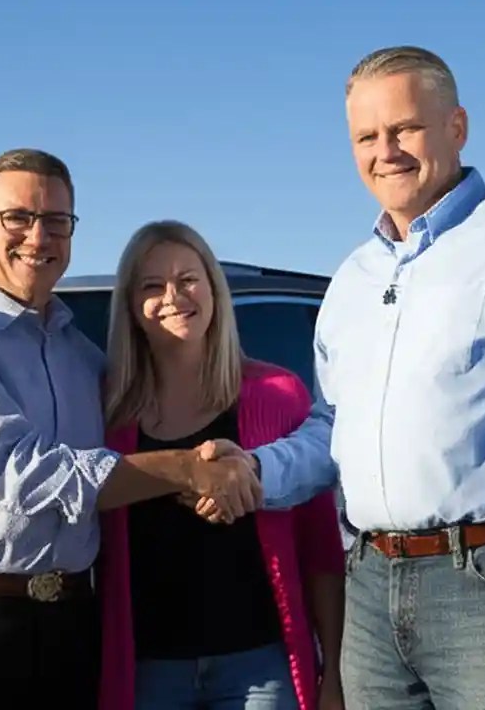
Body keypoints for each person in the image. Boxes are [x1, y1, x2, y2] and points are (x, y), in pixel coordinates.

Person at [201, 46, 485, 710]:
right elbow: (335, 434)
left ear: (457, 127)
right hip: (370, 592)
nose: (385, 151)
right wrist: (252, 470)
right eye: (366, 136)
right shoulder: (353, 280)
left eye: (404, 129)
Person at [0, 148, 262, 710]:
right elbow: (21, 472)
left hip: (71, 625)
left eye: (57, 222)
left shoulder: (84, 358)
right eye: (18, 218)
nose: (38, 236)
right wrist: (188, 471)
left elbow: (140, 451)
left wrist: (222, 469)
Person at [95, 220, 347, 710]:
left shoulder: (276, 395)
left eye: (188, 278)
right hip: (148, 671)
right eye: (151, 285)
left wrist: (332, 673)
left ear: (213, 289)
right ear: (129, 306)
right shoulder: (107, 410)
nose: (173, 296)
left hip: (260, 668)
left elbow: (320, 551)